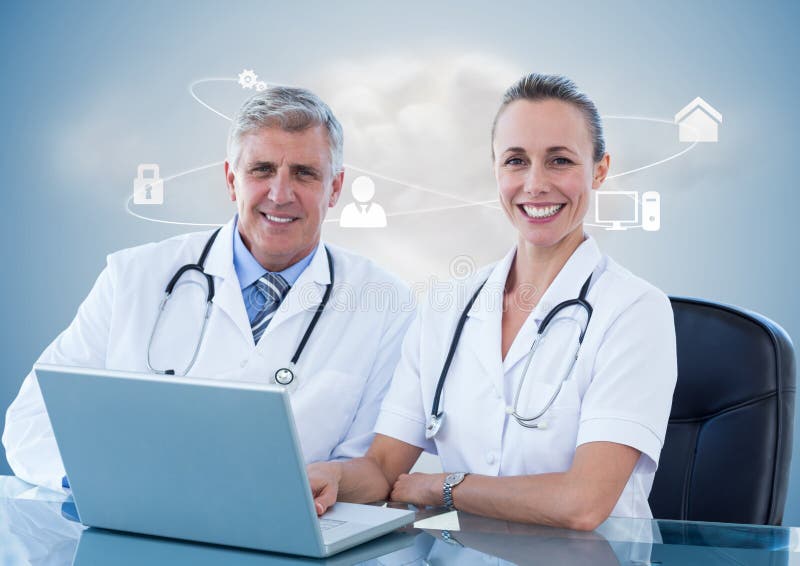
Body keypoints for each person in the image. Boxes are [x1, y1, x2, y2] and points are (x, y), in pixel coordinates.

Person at [308, 74, 677, 531]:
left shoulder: (635, 311)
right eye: (516, 161)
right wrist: (331, 476)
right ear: (496, 170)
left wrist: (443, 486)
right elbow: (384, 469)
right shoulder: (446, 308)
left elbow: (582, 503)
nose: (535, 183)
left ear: (599, 170)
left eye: (559, 160)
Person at [3, 86, 413, 490]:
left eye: (304, 173)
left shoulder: (387, 305)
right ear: (232, 179)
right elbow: (32, 421)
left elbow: (372, 467)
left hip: (289, 540)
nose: (280, 194)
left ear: (335, 188)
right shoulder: (132, 276)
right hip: (134, 528)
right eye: (262, 169)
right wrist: (108, 485)